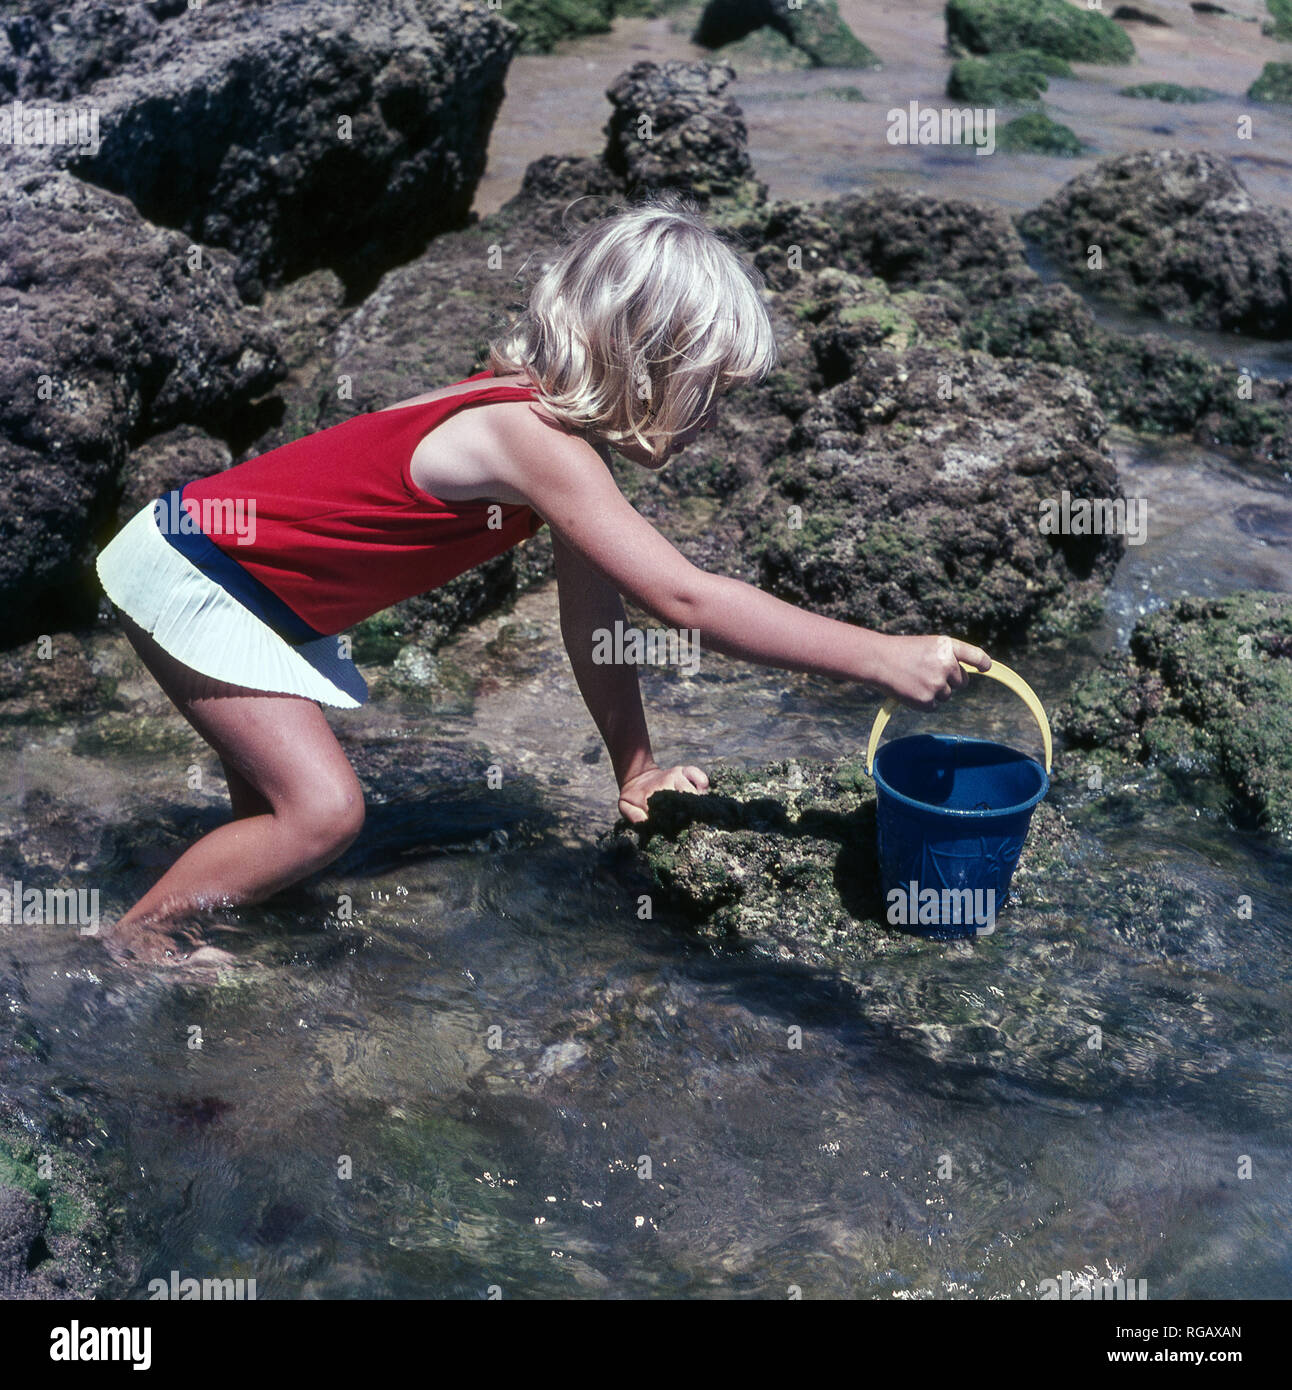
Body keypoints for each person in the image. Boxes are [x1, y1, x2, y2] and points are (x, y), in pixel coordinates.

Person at [95, 194, 990, 967]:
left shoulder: (543, 435)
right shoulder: (532, 439)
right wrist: (879, 656)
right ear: (647, 360)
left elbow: (594, 621)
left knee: (279, 839)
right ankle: (136, 941)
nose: (714, 420)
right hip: (199, 574)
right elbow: (684, 599)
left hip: (238, 585)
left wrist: (635, 771)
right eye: (706, 391)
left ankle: (217, 922)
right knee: (324, 814)